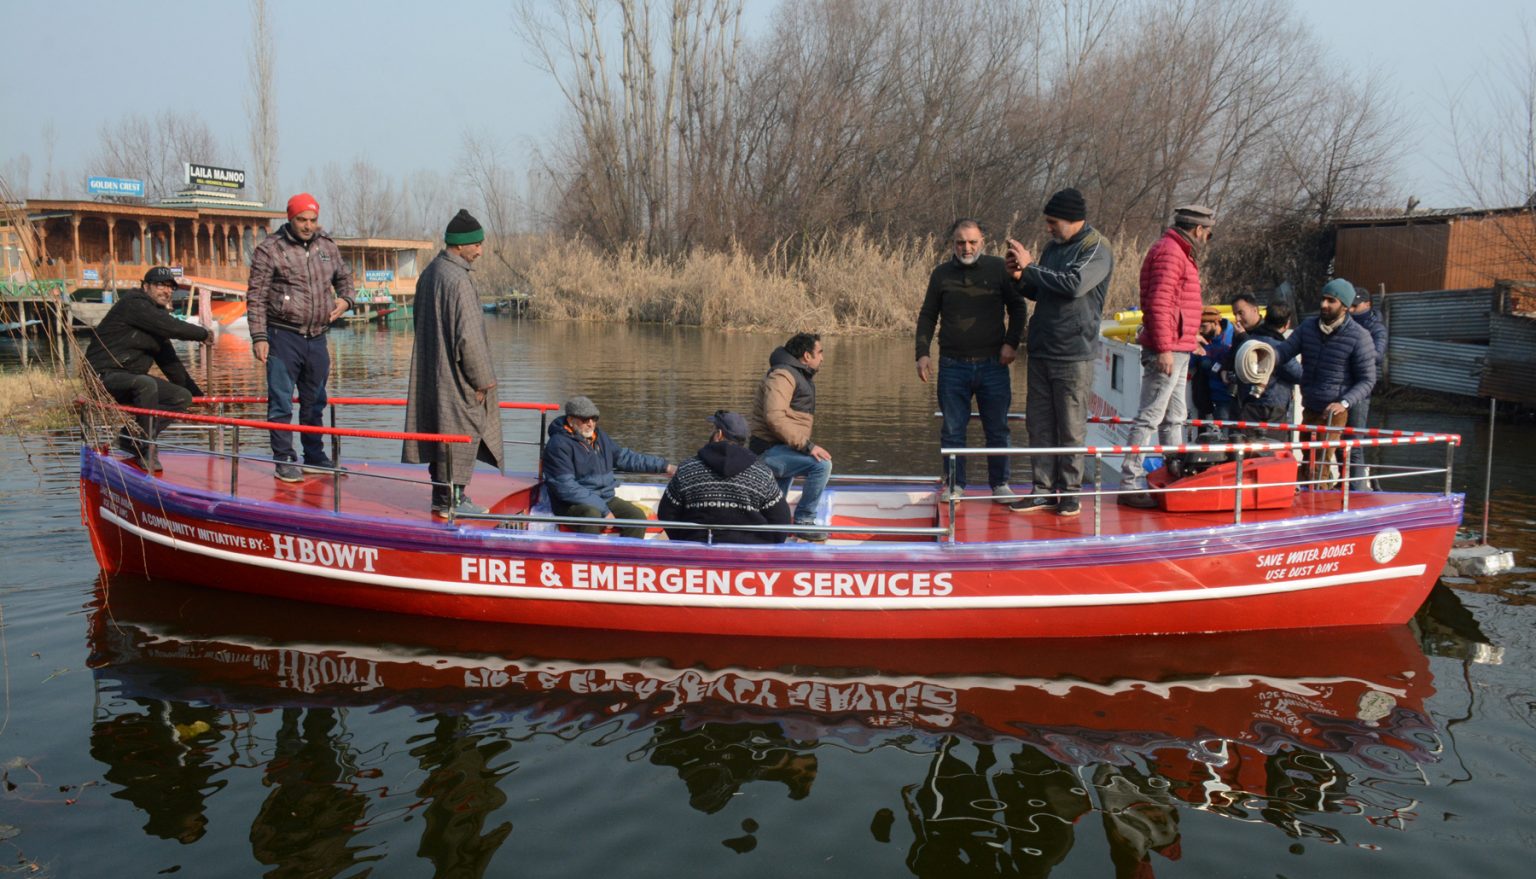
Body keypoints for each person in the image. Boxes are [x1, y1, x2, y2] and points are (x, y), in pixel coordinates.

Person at [1004, 188, 1115, 517]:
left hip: (1073, 352)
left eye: (1053, 222)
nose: (1048, 228)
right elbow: (1042, 289)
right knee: (1039, 424)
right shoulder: (1053, 249)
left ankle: (1069, 492)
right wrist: (1019, 277)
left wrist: (1031, 267)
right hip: (1041, 349)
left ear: (1073, 219)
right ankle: (1041, 488)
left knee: (1070, 426)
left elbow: (1073, 284)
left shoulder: (1097, 248)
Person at [914, 218, 1027, 503]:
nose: (966, 248)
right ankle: (954, 486)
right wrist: (922, 353)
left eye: (972, 242)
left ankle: (1000, 484)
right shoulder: (941, 274)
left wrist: (1011, 343)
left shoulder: (998, 269)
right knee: (952, 430)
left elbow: (1018, 308)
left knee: (998, 429)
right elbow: (928, 315)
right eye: (960, 242)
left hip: (994, 364)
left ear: (982, 243)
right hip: (953, 365)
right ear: (953, 244)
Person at [247, 192, 356, 483]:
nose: (308, 226)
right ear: (290, 218)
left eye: (313, 220)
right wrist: (259, 336)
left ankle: (315, 456)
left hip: (317, 337)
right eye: (302, 220)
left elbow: (345, 279)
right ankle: (283, 459)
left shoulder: (327, 247)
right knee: (281, 402)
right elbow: (256, 296)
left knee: (315, 400)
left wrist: (346, 301)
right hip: (283, 336)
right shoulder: (270, 249)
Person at [402, 210, 503, 517]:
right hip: (457, 377)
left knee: (440, 432)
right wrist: (483, 381)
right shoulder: (459, 280)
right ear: (460, 245)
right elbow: (469, 338)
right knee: (461, 433)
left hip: (432, 372)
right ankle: (454, 502)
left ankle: (441, 498)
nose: (481, 250)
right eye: (477, 244)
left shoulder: (430, 273)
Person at [1119, 204, 1212, 509]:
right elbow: (1158, 303)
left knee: (1175, 418)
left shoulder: (1174, 251)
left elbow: (1171, 305)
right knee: (1151, 417)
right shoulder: (1173, 253)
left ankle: (1178, 478)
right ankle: (1130, 483)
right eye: (1207, 234)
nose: (1207, 239)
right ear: (1198, 230)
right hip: (1169, 349)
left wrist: (1187, 336)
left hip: (1177, 346)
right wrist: (1164, 347)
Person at [85, 266, 212, 472]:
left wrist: (200, 398)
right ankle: (146, 449)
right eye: (161, 285)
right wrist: (203, 333)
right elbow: (173, 327)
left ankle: (130, 437)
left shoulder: (155, 321)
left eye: (171, 287)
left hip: (130, 377)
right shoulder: (134, 305)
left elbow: (171, 364)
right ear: (146, 286)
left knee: (181, 396)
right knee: (146, 383)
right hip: (102, 375)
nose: (167, 291)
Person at [1260, 278, 1377, 486]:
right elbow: (1284, 352)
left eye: (1331, 301)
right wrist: (1261, 358)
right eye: (1323, 299)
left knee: (1320, 464)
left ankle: (1321, 503)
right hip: (1311, 406)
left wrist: (1344, 402)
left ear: (1344, 306)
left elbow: (1368, 380)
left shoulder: (1360, 336)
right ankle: (1315, 499)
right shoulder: (1308, 328)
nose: (1324, 304)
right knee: (1307, 460)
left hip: (1335, 411)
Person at [542, 396, 675, 538]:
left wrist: (665, 466)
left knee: (637, 516)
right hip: (570, 504)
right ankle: (589, 558)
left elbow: (625, 458)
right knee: (591, 516)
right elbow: (566, 487)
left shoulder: (600, 438)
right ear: (570, 420)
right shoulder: (558, 445)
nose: (591, 424)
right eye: (585, 419)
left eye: (594, 419)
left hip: (605, 498)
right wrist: (604, 510)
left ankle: (626, 558)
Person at [658, 410, 791, 544]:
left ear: (719, 435)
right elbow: (781, 520)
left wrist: (684, 540)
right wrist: (764, 547)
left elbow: (666, 514)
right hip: (750, 554)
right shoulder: (762, 473)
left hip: (697, 551)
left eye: (713, 429)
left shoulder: (687, 469)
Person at [749, 333, 833, 539]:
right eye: (819, 352)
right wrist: (808, 447)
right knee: (821, 464)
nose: (822, 358)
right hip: (768, 452)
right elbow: (774, 418)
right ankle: (804, 520)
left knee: (775, 511)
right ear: (806, 355)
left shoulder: (797, 374)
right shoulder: (783, 376)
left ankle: (768, 531)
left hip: (783, 449)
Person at [1230, 302, 1301, 434]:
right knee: (1273, 451)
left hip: (1247, 405)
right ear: (1287, 324)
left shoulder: (1248, 342)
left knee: (1250, 450)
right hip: (1272, 410)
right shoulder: (1280, 348)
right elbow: (1298, 374)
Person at [1348, 285, 1388, 487]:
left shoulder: (1376, 328)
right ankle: (1342, 485)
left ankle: (1356, 489)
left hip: (1361, 390)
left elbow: (1378, 356)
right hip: (1341, 387)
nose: (1352, 310)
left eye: (1356, 306)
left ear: (1368, 304)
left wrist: (1355, 349)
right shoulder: (1344, 323)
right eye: (1350, 306)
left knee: (1354, 442)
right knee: (1337, 442)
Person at [1190, 305, 1237, 425]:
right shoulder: (1202, 340)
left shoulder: (1234, 337)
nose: (1200, 330)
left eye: (1203, 326)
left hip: (1229, 399)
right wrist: (1192, 343)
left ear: (1216, 323)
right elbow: (1189, 363)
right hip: (1208, 400)